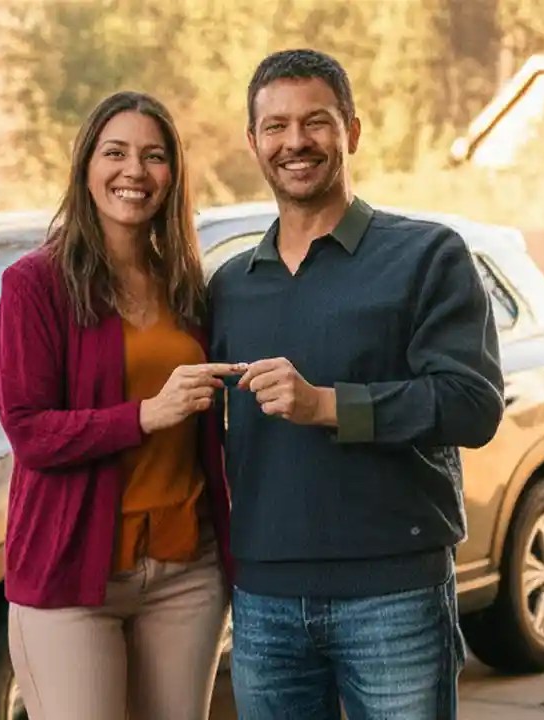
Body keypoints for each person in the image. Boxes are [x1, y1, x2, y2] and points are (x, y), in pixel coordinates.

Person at [206, 49, 505, 719]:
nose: (295, 142)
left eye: (315, 122)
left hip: (393, 597)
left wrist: (329, 406)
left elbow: (473, 405)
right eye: (275, 126)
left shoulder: (427, 256)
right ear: (252, 141)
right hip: (264, 603)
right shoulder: (229, 286)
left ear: (352, 131)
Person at [0, 90, 238, 719]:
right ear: (86, 167)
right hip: (76, 572)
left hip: (188, 568)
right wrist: (145, 415)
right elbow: (30, 432)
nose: (135, 171)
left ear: (173, 177)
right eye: (116, 152)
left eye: (154, 157)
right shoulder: (35, 284)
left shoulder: (186, 287)